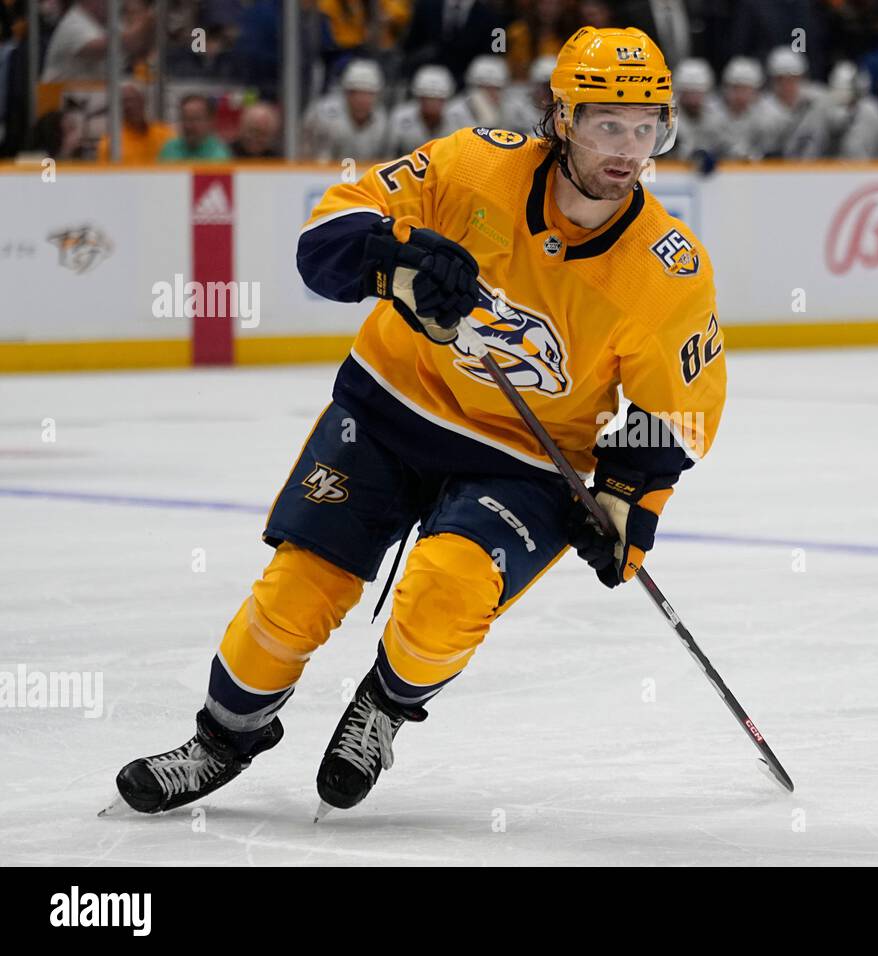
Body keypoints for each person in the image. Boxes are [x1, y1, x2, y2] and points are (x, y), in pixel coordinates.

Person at [107, 26, 727, 819]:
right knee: (299, 592)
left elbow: (683, 409)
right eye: (609, 124)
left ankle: (386, 706)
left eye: (648, 129)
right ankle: (225, 738)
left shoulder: (667, 270)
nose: (629, 149)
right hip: (392, 409)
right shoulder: (476, 164)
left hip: (525, 460)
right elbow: (324, 237)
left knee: (449, 589)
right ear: (562, 118)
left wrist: (630, 498)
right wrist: (396, 259)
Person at [302, 58, 390, 162]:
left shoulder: (383, 121)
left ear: (377, 96)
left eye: (368, 94)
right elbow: (303, 153)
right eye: (355, 92)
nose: (361, 99)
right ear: (345, 93)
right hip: (321, 173)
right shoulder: (322, 114)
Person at [95, 80, 173, 162]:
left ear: (143, 101)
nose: (129, 106)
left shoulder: (166, 136)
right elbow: (104, 173)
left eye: (133, 100)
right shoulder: (110, 142)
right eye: (124, 102)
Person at [387, 64, 455, 154]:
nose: (432, 103)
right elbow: (388, 157)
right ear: (418, 97)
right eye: (427, 98)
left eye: (437, 99)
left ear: (446, 99)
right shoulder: (400, 118)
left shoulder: (457, 120)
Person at [158, 94, 233, 161]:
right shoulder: (170, 148)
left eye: (195, 119)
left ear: (210, 121)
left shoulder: (220, 155)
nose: (188, 125)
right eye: (185, 118)